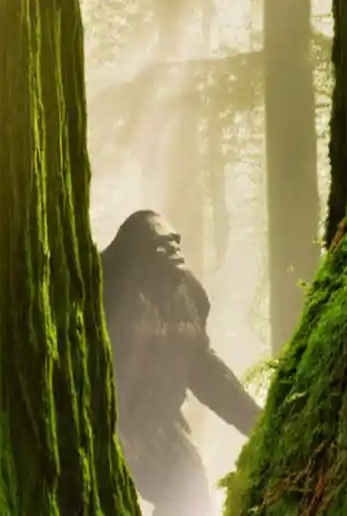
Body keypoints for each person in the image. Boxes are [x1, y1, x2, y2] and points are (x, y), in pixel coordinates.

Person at [102, 210, 261, 516]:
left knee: (190, 496)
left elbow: (204, 372)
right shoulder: (99, 290)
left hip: (160, 422)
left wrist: (257, 423)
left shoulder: (186, 293)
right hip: (107, 421)